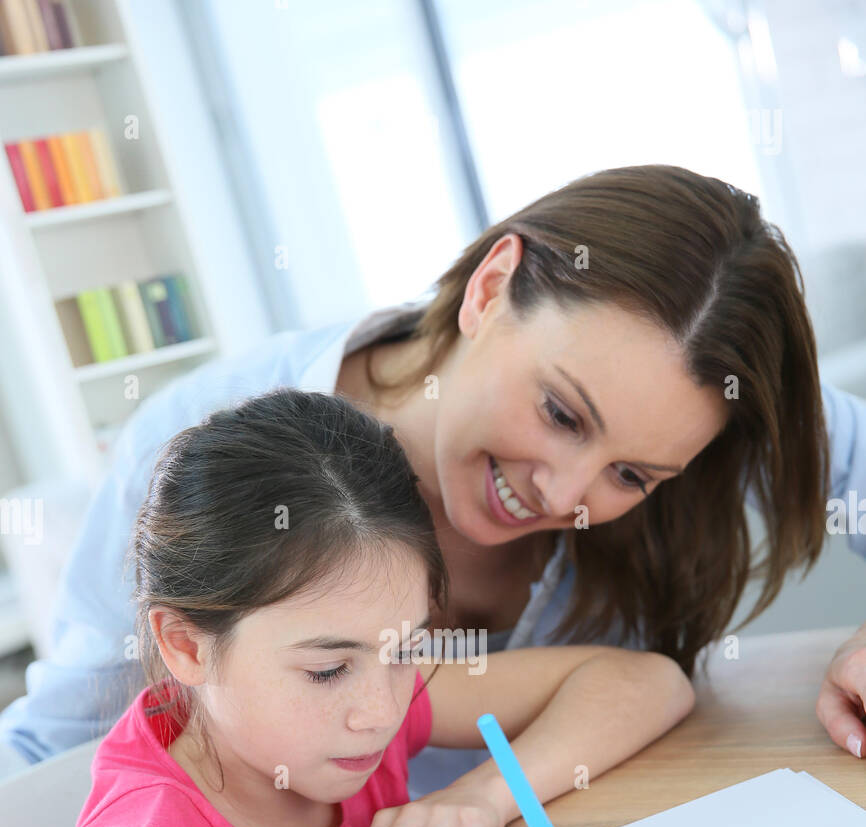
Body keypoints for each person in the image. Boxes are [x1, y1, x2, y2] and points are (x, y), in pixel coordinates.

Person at [2, 164, 865, 789]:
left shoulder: (699, 397)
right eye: (562, 414)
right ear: (491, 289)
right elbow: (55, 748)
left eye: (633, 475)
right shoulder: (206, 445)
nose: (565, 497)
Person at [68, 387, 693, 827]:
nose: (382, 712)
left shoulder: (356, 706)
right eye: (327, 671)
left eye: (408, 650)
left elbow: (649, 682)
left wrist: (483, 793)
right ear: (186, 646)